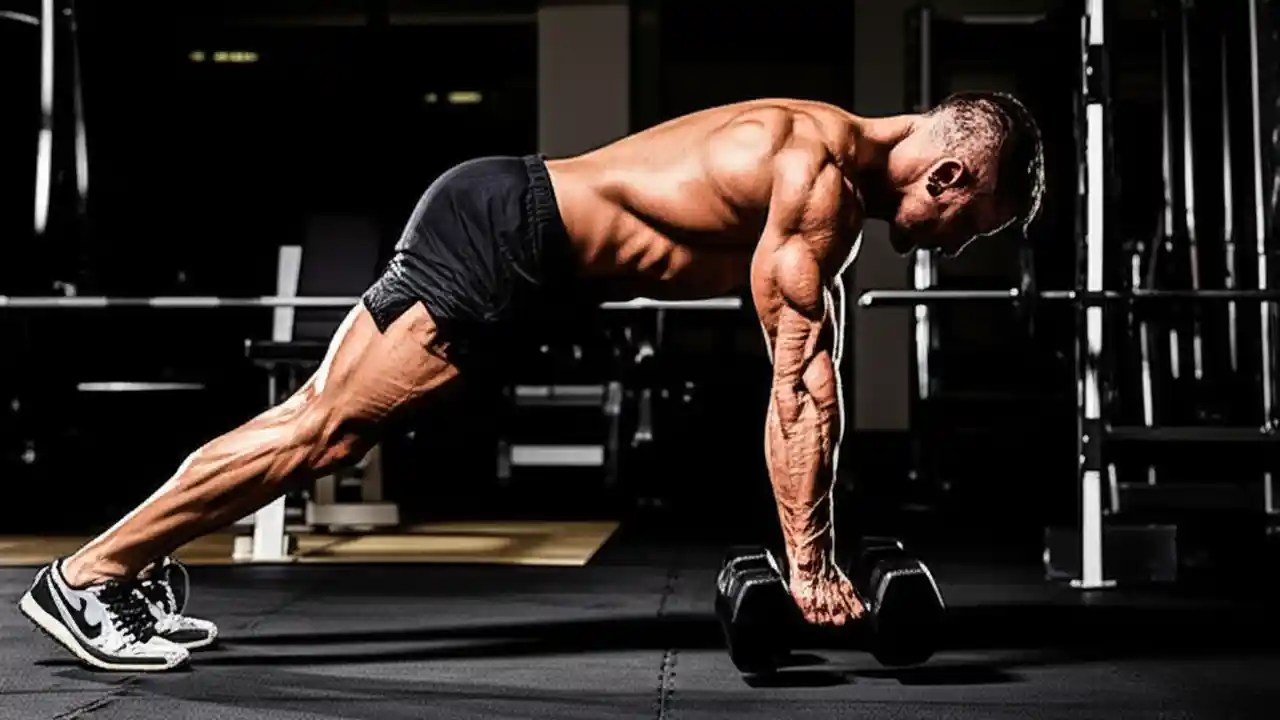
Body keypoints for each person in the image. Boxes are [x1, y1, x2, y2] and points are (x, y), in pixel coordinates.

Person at [20, 92, 1044, 671]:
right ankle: (88, 577)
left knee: (313, 421)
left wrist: (811, 551)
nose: (956, 246)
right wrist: (809, 569)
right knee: (322, 432)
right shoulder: (814, 177)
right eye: (973, 226)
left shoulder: (827, 166)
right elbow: (800, 385)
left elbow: (807, 378)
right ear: (947, 175)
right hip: (510, 235)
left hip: (509, 226)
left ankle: (118, 572)